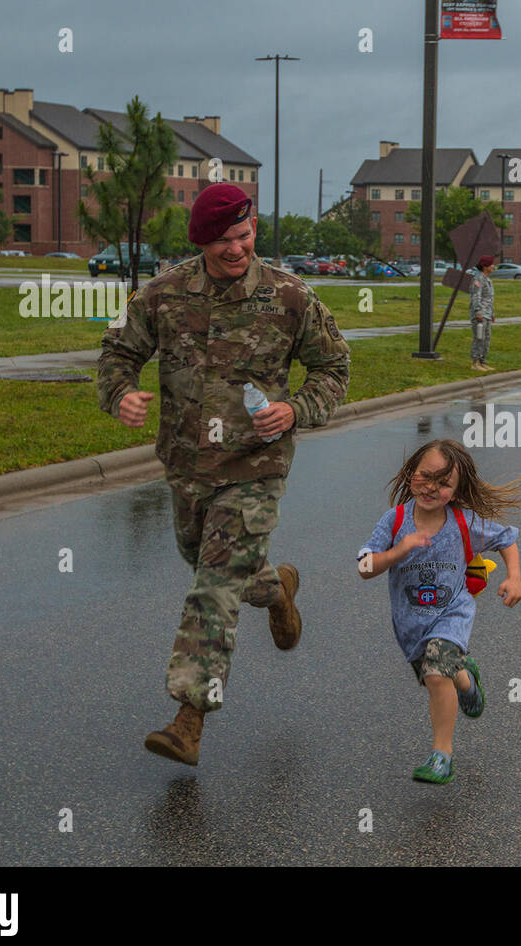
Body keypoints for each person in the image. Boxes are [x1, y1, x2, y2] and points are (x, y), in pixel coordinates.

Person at [97, 183, 351, 767]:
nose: (237, 248)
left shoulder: (291, 297)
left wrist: (298, 409)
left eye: (245, 234)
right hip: (186, 463)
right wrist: (122, 394)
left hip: (254, 468)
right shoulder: (161, 294)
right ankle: (277, 588)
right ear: (201, 242)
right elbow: (116, 351)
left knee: (211, 588)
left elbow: (334, 367)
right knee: (213, 567)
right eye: (223, 240)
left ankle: (189, 718)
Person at [358, 439, 521, 784]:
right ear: (410, 475)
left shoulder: (463, 522)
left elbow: (506, 538)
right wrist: (396, 552)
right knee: (440, 674)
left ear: (456, 490)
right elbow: (364, 567)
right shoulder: (395, 521)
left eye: (444, 483)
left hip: (452, 615)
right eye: (426, 476)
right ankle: (466, 679)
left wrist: (514, 577)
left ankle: (441, 756)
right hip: (410, 625)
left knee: (436, 674)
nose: (432, 487)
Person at [469, 255, 497, 372]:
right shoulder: (478, 278)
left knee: (486, 338)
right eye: (491, 264)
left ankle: (482, 361)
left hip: (487, 313)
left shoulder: (487, 279)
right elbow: (476, 296)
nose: (493, 266)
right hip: (480, 314)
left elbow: (489, 298)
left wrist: (492, 313)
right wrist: (478, 312)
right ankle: (475, 362)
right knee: (479, 338)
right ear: (485, 266)